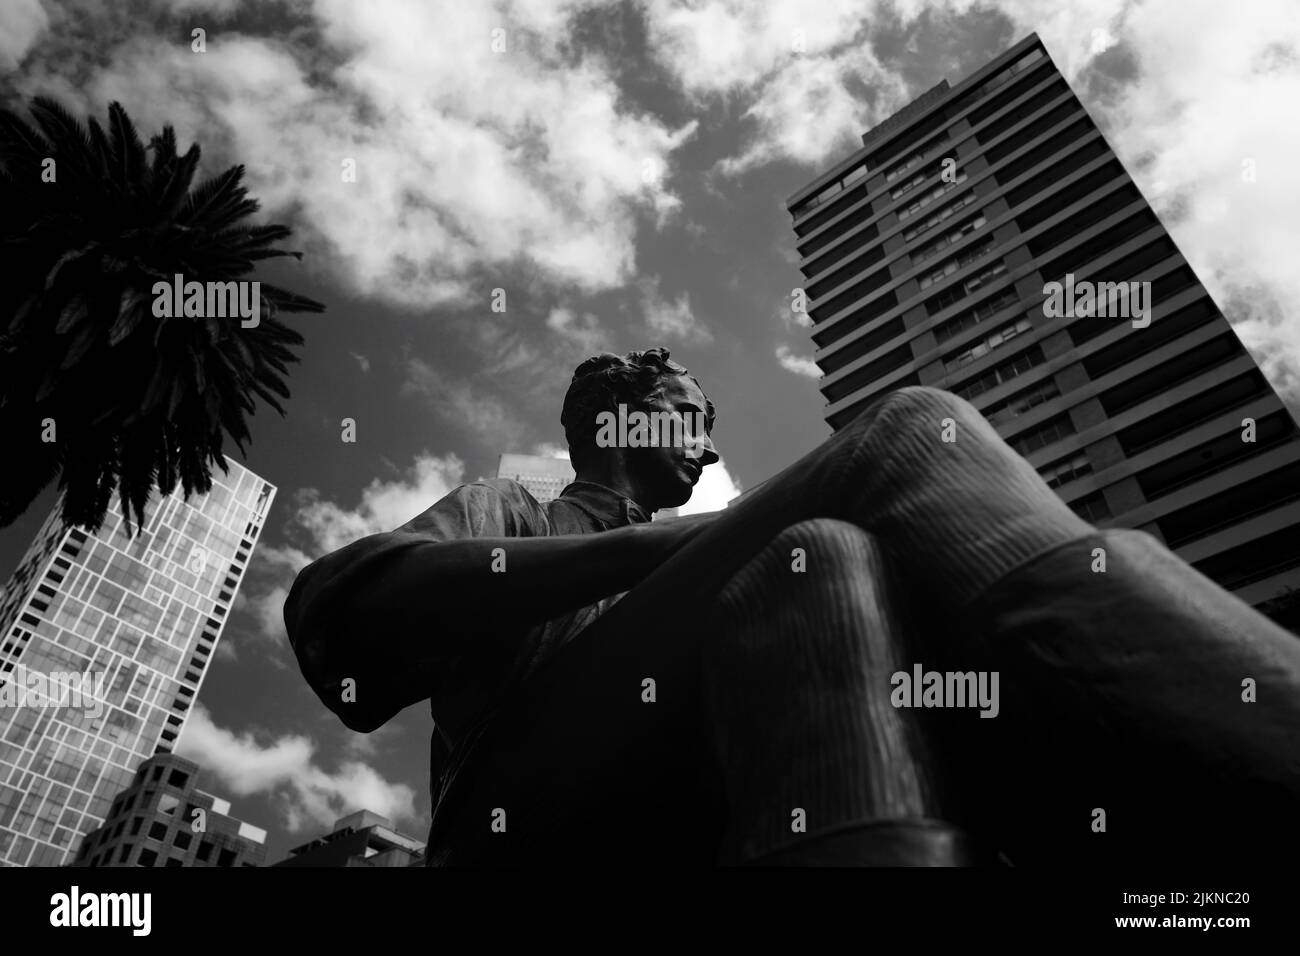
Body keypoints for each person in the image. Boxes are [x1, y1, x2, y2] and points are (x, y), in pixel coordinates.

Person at [284, 347, 1300, 866]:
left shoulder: (726, 566)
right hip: (512, 838)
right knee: (915, 432)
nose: (712, 445)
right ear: (613, 419)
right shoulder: (509, 507)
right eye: (690, 412)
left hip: (671, 810)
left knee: (818, 559)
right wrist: (640, 550)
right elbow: (349, 621)